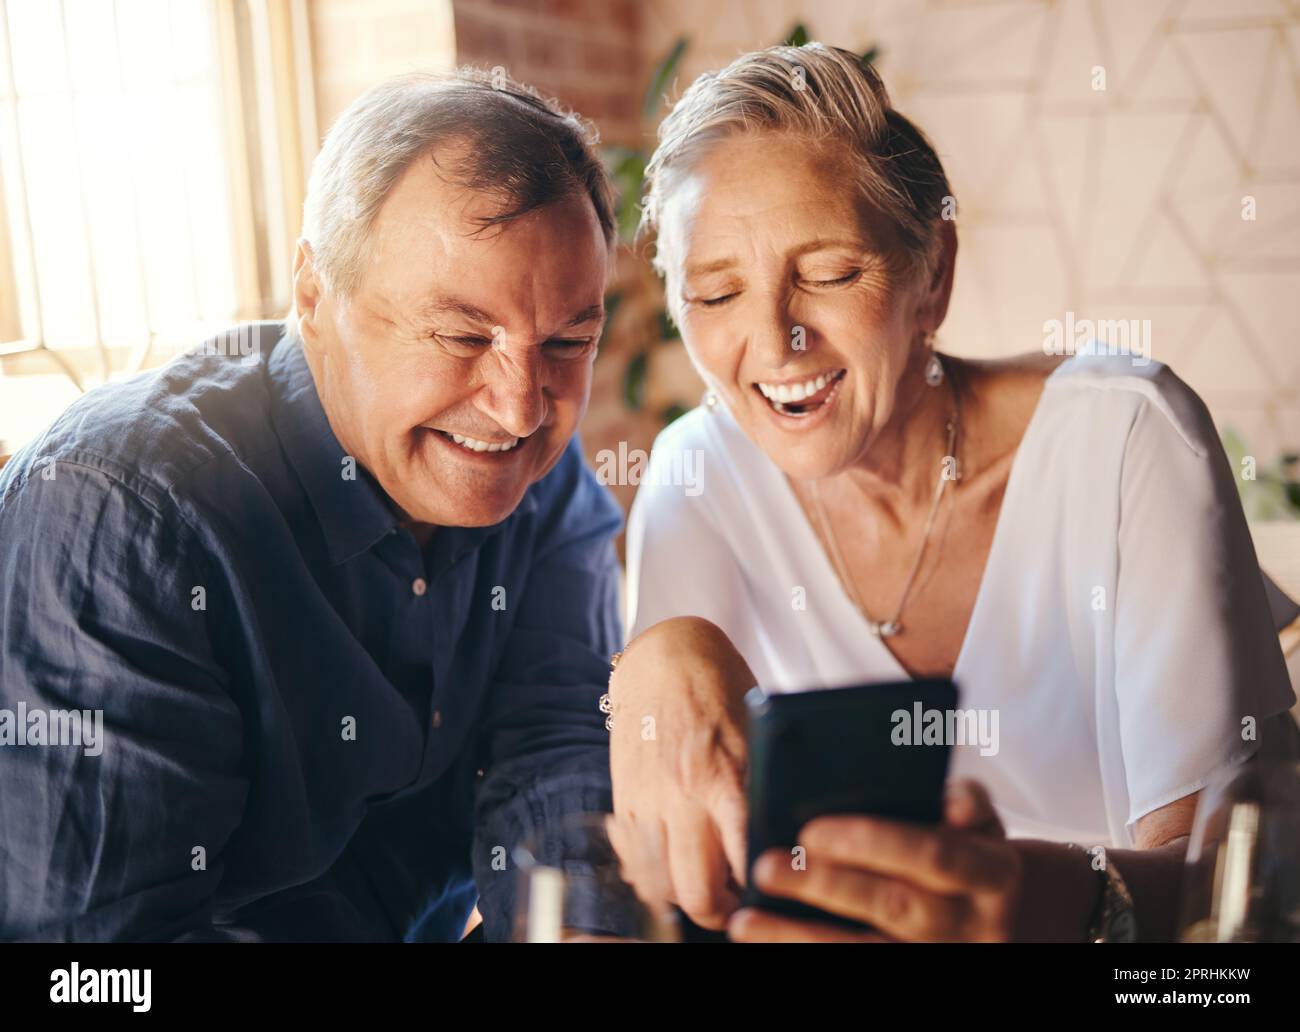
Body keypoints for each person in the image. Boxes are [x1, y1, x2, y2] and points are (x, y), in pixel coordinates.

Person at [608, 43, 1298, 942]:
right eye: (717, 293)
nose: (776, 342)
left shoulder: (1125, 436)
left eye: (830, 273)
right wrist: (653, 658)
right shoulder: (693, 477)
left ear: (932, 271)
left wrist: (1040, 900)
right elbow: (690, 884)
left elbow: (1239, 901)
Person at [0, 69, 627, 942]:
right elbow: (99, 963)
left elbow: (555, 751)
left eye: (569, 341)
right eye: (459, 335)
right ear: (312, 294)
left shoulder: (541, 479)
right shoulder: (122, 515)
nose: (521, 408)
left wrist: (586, 923)